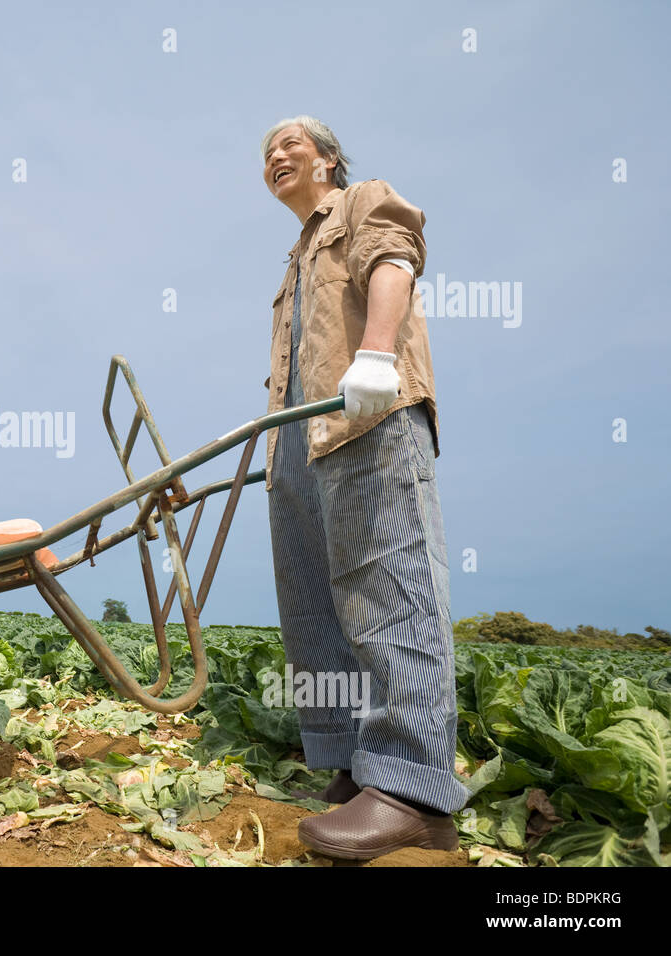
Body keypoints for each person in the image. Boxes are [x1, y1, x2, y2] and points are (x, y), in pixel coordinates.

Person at [258, 115, 468, 859]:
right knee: (316, 602)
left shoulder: (361, 200)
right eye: (267, 155)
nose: (277, 157)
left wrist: (376, 355)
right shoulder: (293, 259)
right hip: (302, 439)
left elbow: (396, 261)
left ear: (330, 158)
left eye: (291, 145)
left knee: (389, 583)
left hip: (369, 412)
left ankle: (413, 791)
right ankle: (353, 764)